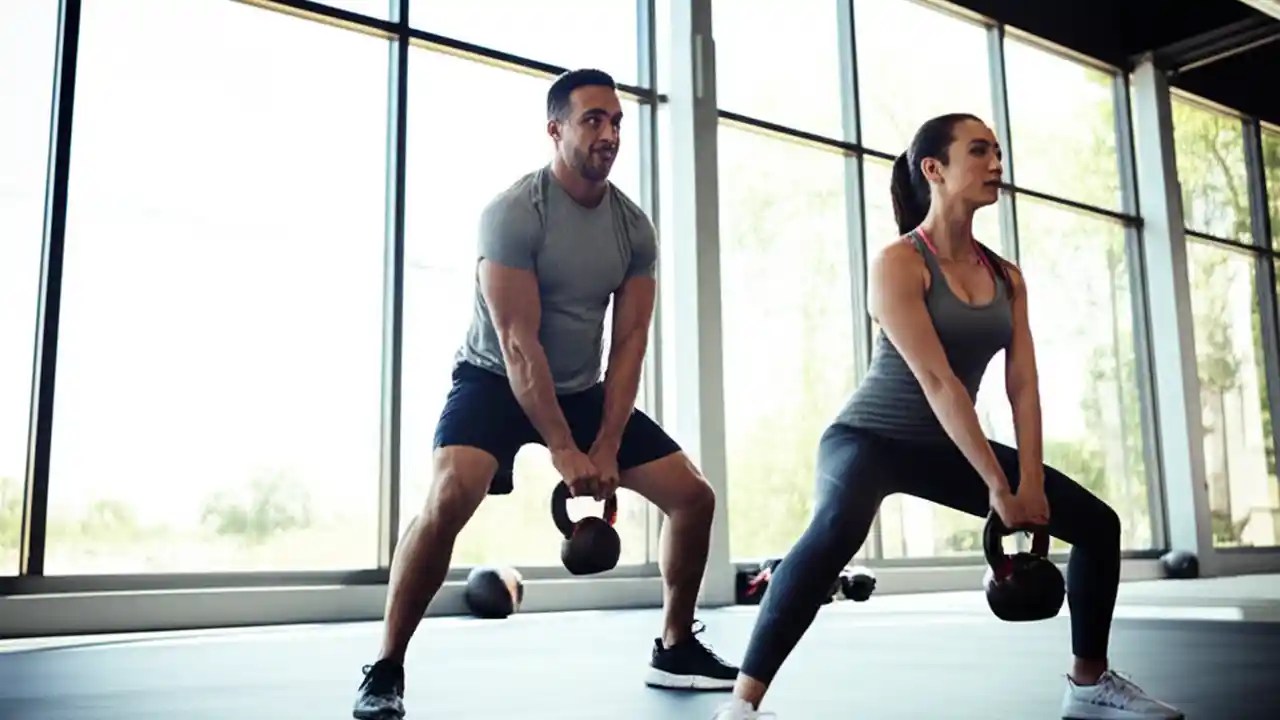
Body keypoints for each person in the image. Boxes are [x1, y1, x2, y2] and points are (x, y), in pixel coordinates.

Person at [711, 114, 1185, 720]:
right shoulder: (898, 263)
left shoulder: (1006, 277)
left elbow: (1023, 385)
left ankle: (1088, 685)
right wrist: (998, 488)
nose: (996, 164)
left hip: (945, 444)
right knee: (834, 530)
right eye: (979, 151)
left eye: (998, 152)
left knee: (1097, 524)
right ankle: (742, 706)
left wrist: (1030, 481)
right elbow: (938, 383)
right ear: (933, 169)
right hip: (869, 439)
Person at [352, 68, 738, 720]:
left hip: (582, 388)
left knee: (693, 497)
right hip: (493, 379)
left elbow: (630, 341)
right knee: (450, 495)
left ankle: (675, 647)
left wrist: (606, 444)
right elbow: (518, 342)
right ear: (555, 129)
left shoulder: (632, 229)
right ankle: (386, 667)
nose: (609, 133)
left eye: (616, 121)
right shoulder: (514, 213)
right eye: (593, 119)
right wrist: (563, 450)